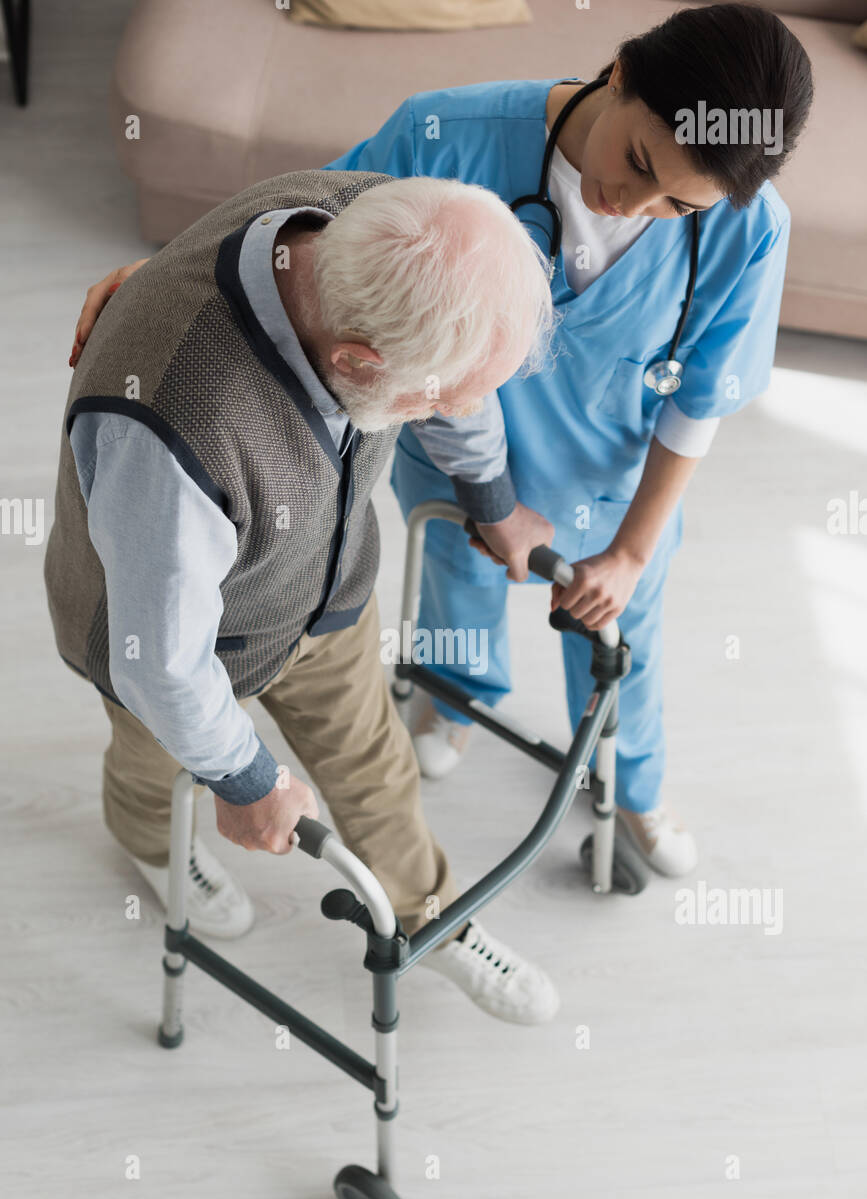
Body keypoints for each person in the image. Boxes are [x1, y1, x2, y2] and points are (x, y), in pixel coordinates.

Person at [71, 4, 814, 878]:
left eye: (677, 205)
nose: (634, 204)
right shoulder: (443, 135)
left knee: (620, 630)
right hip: (444, 446)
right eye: (638, 163)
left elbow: (700, 399)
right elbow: (312, 230)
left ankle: (633, 783)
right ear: (619, 71)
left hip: (605, 474)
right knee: (454, 578)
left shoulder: (747, 228)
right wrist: (160, 283)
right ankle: (457, 703)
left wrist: (632, 550)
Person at [46, 170, 562, 1026]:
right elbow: (163, 661)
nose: (462, 410)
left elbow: (456, 383)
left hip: (321, 595)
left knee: (374, 763)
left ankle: (431, 918)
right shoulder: (174, 420)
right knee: (152, 768)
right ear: (357, 362)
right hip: (162, 644)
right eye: (440, 397)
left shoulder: (381, 224)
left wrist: (492, 500)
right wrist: (245, 778)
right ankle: (151, 846)